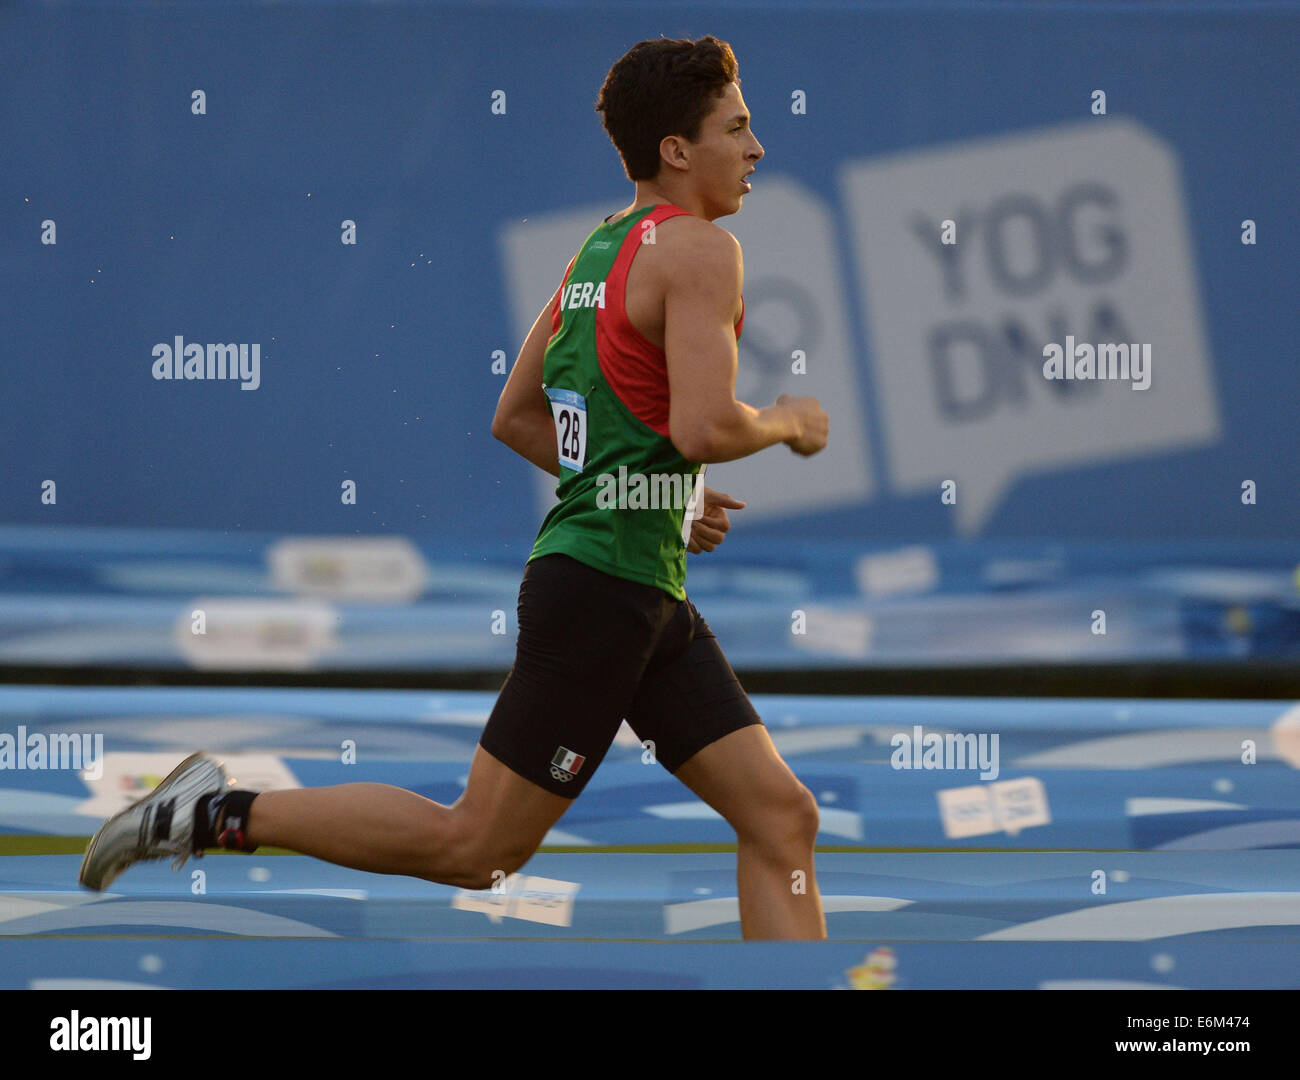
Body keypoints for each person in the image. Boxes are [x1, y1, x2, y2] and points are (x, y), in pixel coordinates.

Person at [80, 35, 830, 940]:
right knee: (475, 848)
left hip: (637, 589)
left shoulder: (595, 255)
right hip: (604, 592)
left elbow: (516, 417)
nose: (757, 148)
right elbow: (705, 429)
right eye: (737, 127)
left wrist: (666, 495)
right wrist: (787, 420)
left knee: (781, 817)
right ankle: (210, 813)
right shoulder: (705, 251)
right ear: (677, 150)